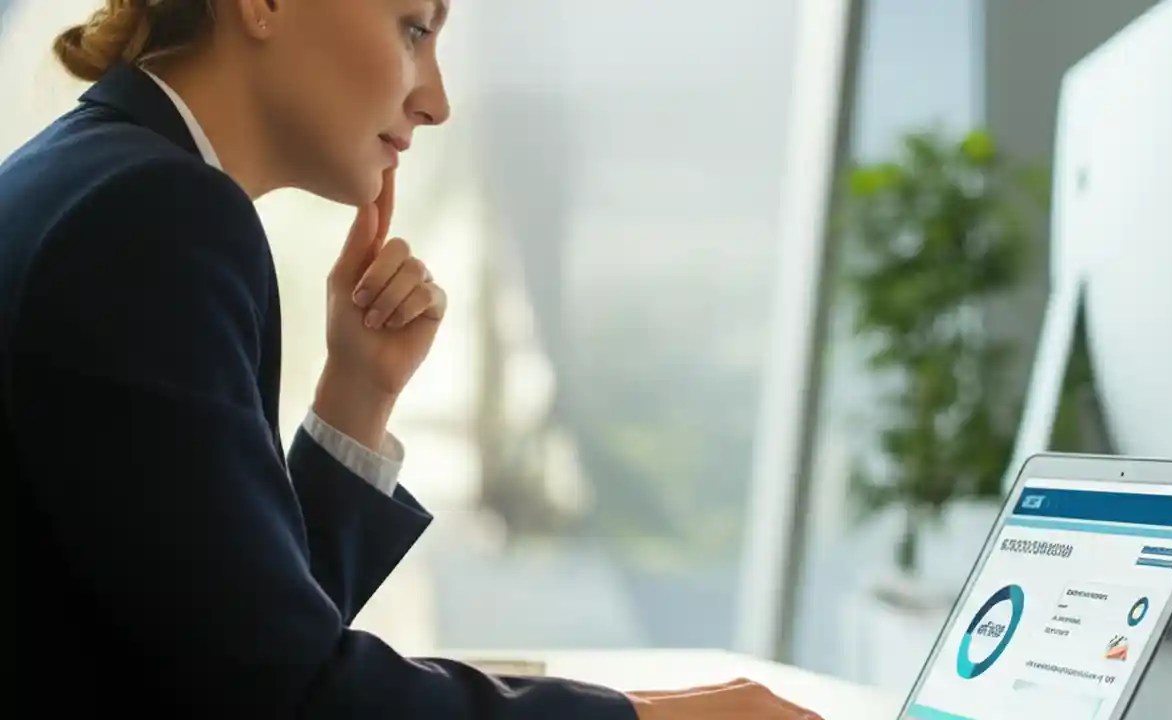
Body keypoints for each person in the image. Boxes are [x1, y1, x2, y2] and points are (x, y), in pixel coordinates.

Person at [0, 1, 825, 717]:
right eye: (414, 29)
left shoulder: (95, 180)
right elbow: (281, 699)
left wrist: (358, 392)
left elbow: (236, 653)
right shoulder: (156, 217)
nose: (436, 100)